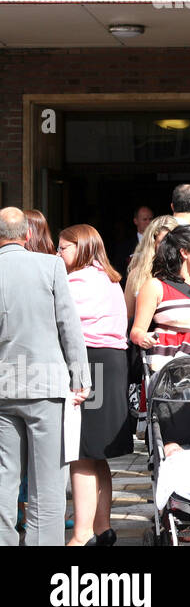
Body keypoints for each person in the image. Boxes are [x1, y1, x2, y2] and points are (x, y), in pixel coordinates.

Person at [0, 207, 89, 547]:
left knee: (4, 477)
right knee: (48, 483)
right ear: (26, 235)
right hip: (46, 386)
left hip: (3, 387)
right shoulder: (50, 265)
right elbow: (69, 324)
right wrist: (80, 376)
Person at [58, 224, 131, 547]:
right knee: (96, 454)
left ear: (83, 248)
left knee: (82, 452)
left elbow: (58, 323)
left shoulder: (77, 282)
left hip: (91, 363)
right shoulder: (107, 278)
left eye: (64, 248)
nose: (58, 253)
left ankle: (82, 533)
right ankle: (102, 528)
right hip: (111, 362)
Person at [130, 225, 190, 375]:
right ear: (184, 252)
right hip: (164, 364)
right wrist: (143, 337)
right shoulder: (155, 286)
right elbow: (136, 331)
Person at [116, 205, 154, 278]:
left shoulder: (159, 242)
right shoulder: (125, 245)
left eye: (150, 219)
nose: (148, 222)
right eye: (145, 219)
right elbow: (119, 270)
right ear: (136, 221)